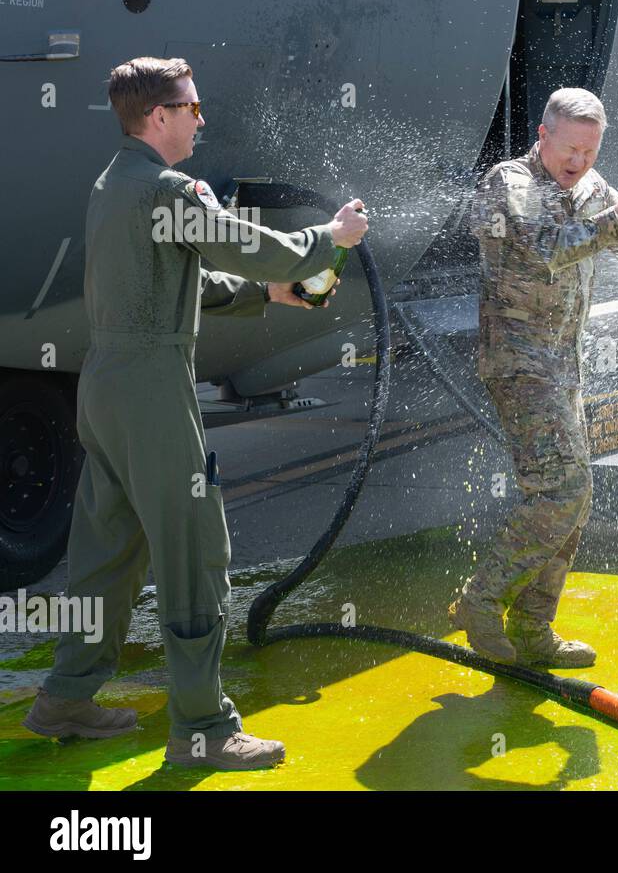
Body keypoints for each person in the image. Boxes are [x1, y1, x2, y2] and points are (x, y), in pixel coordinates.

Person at [22, 57, 369, 768]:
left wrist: (266, 296)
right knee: (195, 551)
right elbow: (254, 249)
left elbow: (177, 274)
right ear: (160, 117)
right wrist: (329, 239)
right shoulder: (169, 189)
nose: (201, 120)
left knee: (109, 548)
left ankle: (66, 697)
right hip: (152, 386)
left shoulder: (116, 183)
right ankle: (204, 727)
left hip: (106, 384)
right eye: (192, 108)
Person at [449, 88, 618, 668]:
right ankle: (482, 599)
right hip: (519, 362)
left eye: (590, 150)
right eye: (570, 148)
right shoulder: (511, 183)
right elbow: (546, 250)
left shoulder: (590, 188)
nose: (579, 161)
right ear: (543, 135)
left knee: (573, 498)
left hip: (562, 367)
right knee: (563, 491)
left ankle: (534, 627)